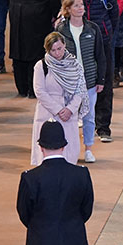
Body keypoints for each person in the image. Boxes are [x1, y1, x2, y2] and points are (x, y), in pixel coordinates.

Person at [65, 0, 116, 141]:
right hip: (79, 42)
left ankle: (104, 127)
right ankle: (79, 117)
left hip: (102, 40)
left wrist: (106, 35)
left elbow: (114, 14)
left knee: (104, 83)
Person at [55, 0, 105, 164]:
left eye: (82, 4)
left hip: (89, 81)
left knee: (89, 116)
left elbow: (100, 55)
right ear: (68, 9)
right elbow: (55, 56)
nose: (80, 8)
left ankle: (89, 148)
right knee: (68, 117)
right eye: (76, 5)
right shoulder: (61, 30)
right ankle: (69, 149)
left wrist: (100, 80)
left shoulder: (93, 28)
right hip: (68, 82)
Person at [7, 0, 59, 99]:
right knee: (36, 51)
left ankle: (21, 88)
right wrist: (56, 14)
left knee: (18, 49)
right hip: (38, 15)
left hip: (16, 13)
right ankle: (33, 89)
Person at [31, 33, 88, 165]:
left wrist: (70, 109)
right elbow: (39, 91)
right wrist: (59, 110)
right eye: (53, 50)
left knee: (69, 156)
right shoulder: (41, 66)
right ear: (48, 50)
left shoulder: (75, 65)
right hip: (47, 114)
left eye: (59, 48)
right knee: (46, 156)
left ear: (64, 46)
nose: (57, 53)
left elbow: (80, 90)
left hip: (68, 116)